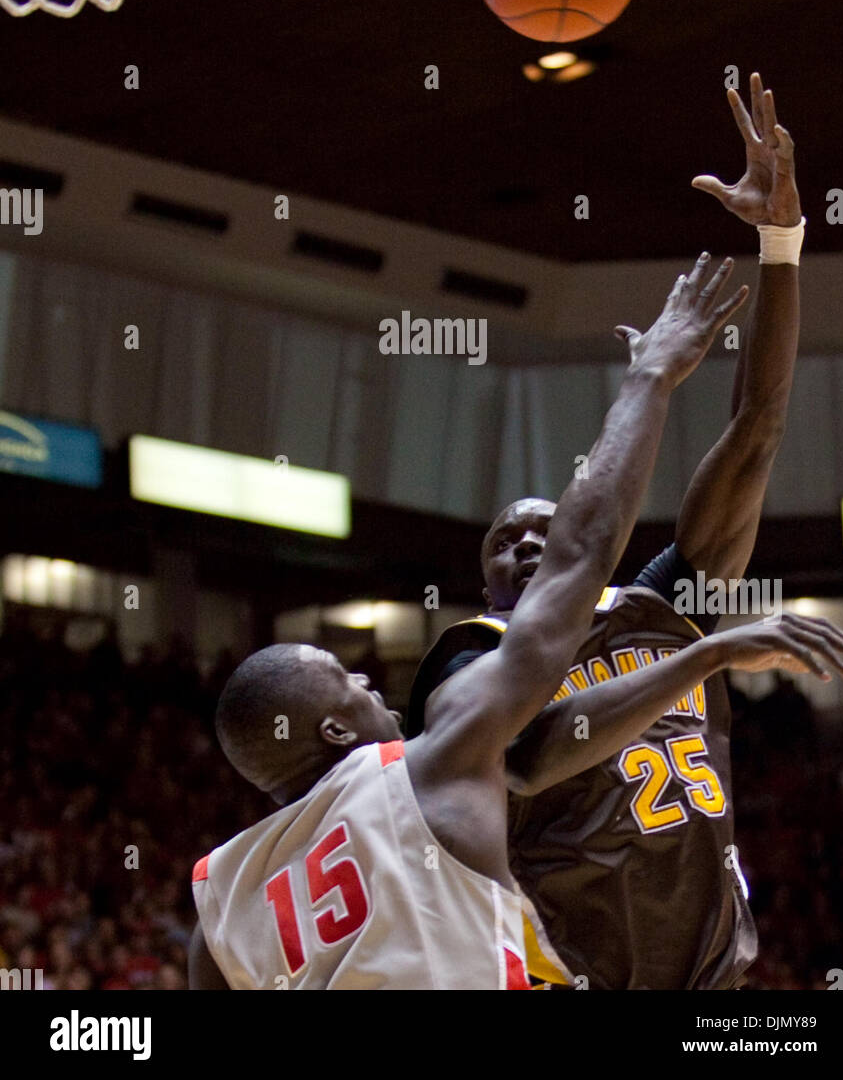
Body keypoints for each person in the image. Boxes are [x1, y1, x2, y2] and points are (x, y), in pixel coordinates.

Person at [189, 255, 752, 989]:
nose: (372, 685)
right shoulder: (428, 765)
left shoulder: (220, 898)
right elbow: (580, 554)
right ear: (332, 730)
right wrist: (648, 378)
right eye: (349, 682)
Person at [407, 74, 816, 988]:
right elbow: (536, 755)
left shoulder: (657, 608)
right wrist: (706, 660)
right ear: (486, 584)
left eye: (543, 529)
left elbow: (758, 428)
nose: (523, 542)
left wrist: (778, 243)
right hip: (577, 975)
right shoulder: (469, 656)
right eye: (503, 540)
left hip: (715, 978)